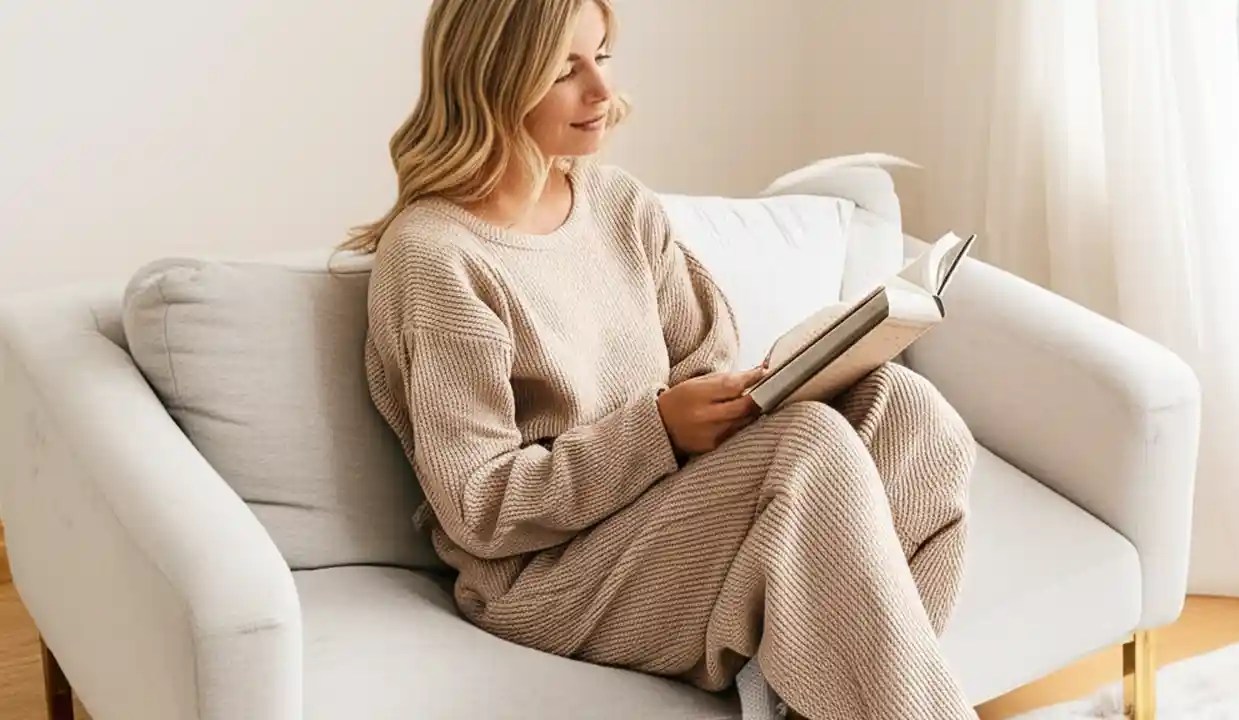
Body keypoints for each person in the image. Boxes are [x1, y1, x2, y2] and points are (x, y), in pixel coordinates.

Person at [342, 1, 978, 718]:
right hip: (548, 577)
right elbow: (481, 509)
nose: (603, 95)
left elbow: (700, 358)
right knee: (808, 447)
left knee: (909, 410)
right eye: (564, 70)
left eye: (603, 57)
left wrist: (750, 393)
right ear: (495, 78)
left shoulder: (620, 204)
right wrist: (658, 432)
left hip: (665, 511)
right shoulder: (437, 259)